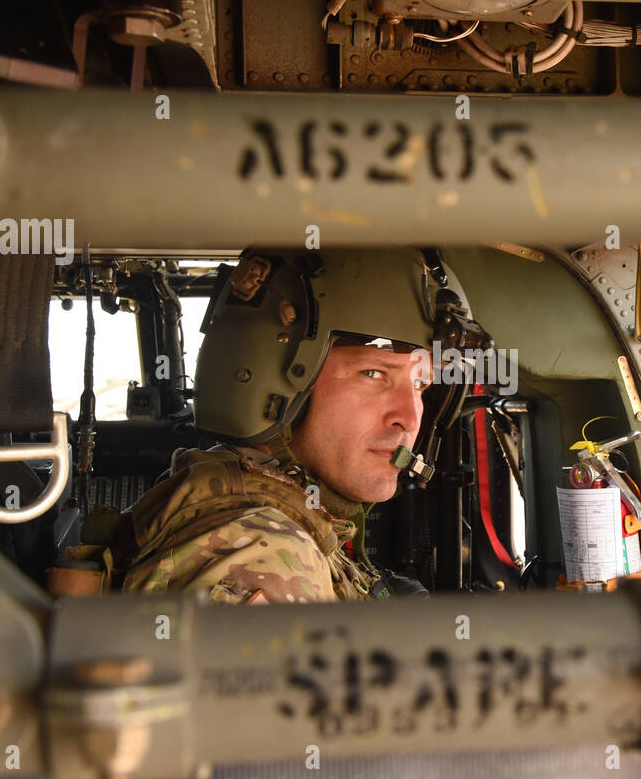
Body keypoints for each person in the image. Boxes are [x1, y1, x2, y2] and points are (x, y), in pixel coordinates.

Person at [113, 247, 484, 605]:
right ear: (271, 378)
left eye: (421, 384)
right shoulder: (262, 553)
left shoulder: (273, 512)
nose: (409, 416)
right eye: (373, 373)